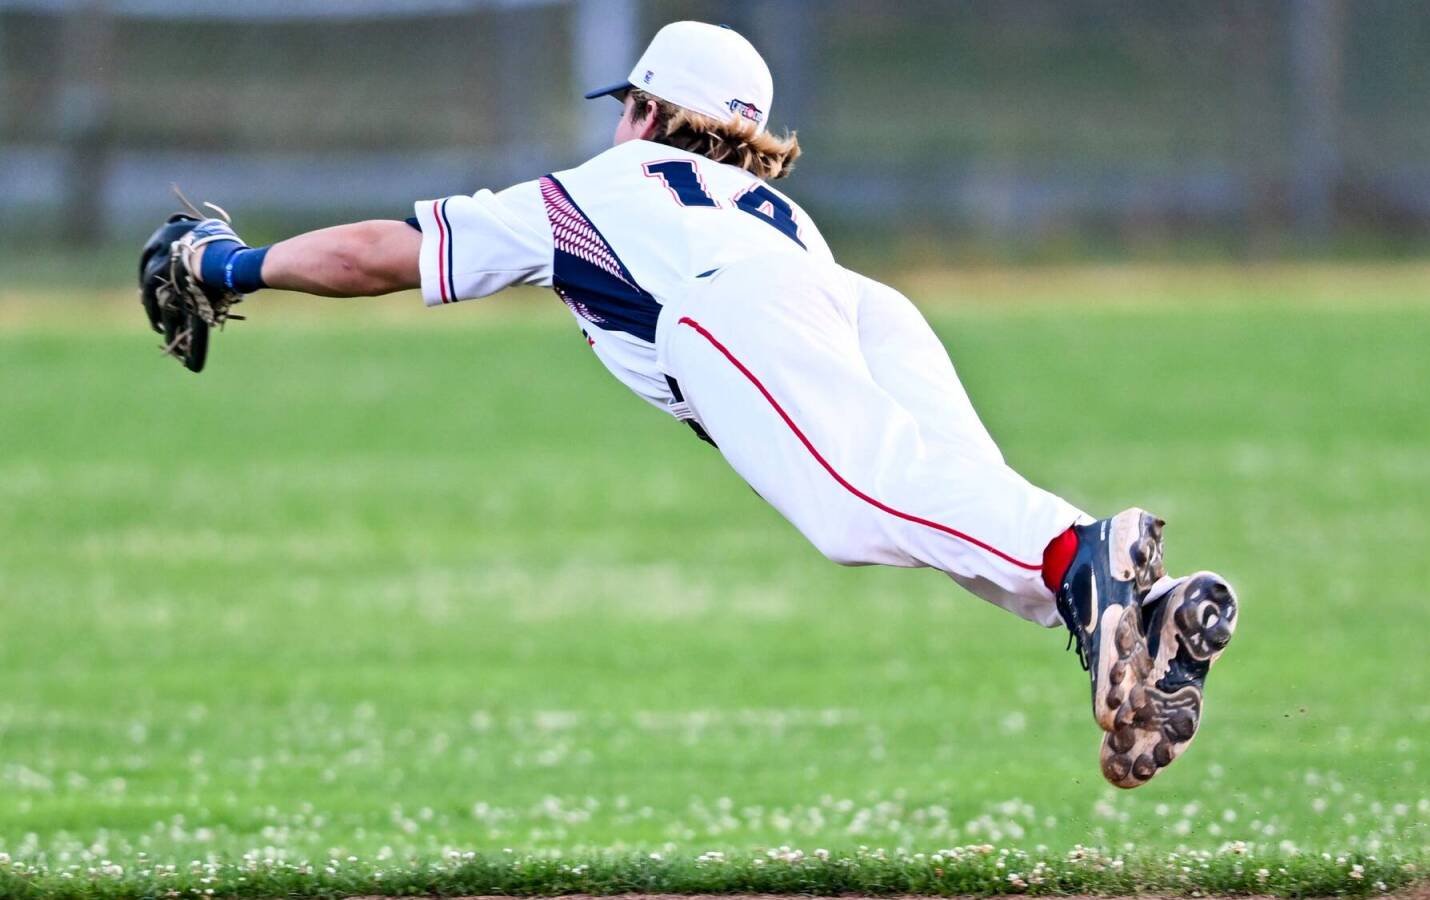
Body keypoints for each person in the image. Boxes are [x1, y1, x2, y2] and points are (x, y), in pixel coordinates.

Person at [149, 21, 1238, 788]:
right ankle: (1135, 623)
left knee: (857, 506)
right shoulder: (766, 202)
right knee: (948, 503)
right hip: (855, 299)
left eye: (628, 104)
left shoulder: (592, 192)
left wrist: (235, 265)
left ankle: (1084, 557)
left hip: (728, 311)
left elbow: (384, 253)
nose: (618, 120)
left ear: (650, 112)